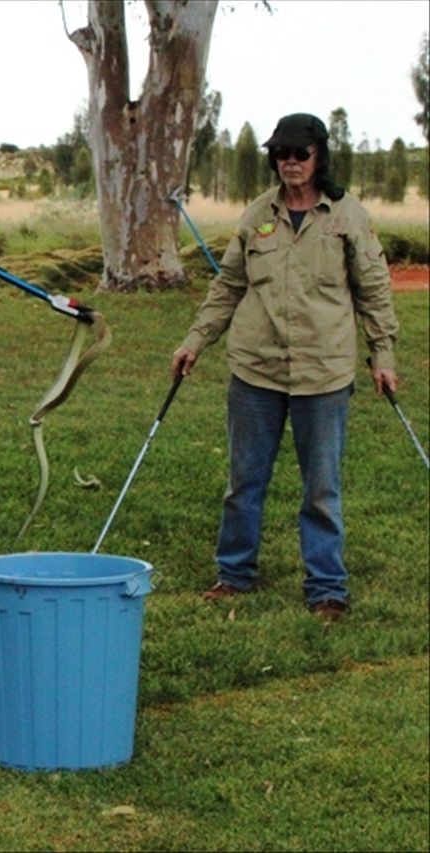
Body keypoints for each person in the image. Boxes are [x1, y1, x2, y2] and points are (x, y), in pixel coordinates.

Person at [171, 112, 399, 623]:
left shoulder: (348, 217)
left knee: (321, 488)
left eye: (299, 153)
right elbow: (228, 285)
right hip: (256, 370)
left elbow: (374, 292)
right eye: (280, 154)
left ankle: (326, 589)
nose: (289, 163)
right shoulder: (256, 216)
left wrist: (383, 355)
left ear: (320, 156)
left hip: (324, 373)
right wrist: (195, 341)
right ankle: (233, 575)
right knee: (243, 481)